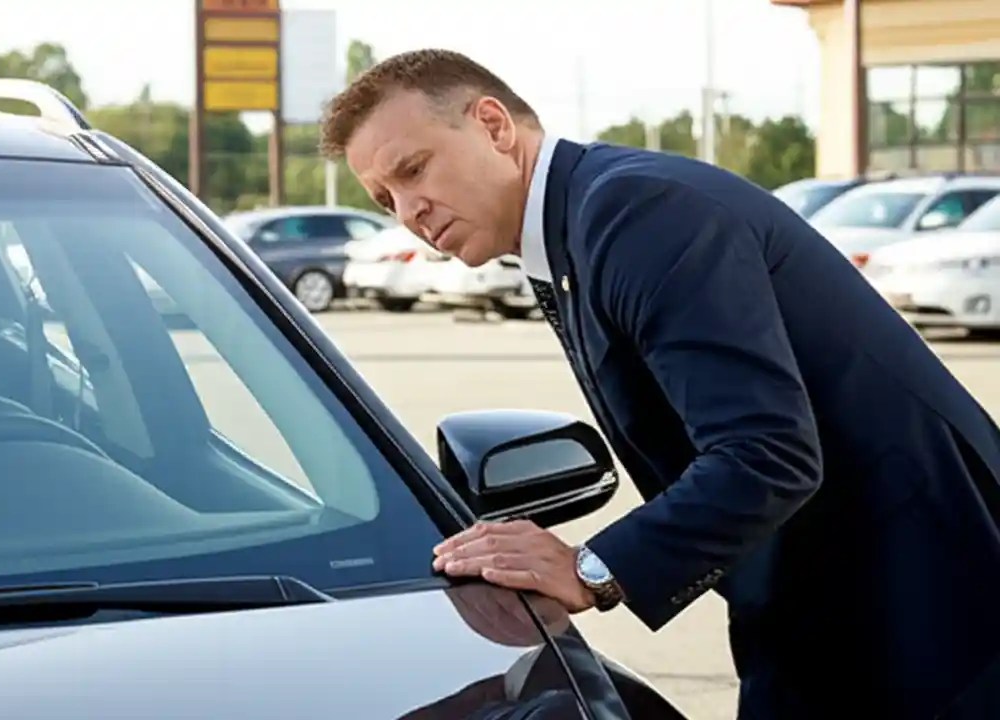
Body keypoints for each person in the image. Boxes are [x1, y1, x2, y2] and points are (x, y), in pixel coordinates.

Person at [318, 48, 1000, 719]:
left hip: (931, 618)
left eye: (414, 170)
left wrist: (591, 567)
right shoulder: (579, 223)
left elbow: (769, 455)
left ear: (494, 126)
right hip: (832, 609)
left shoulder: (635, 213)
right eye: (386, 199)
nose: (410, 211)